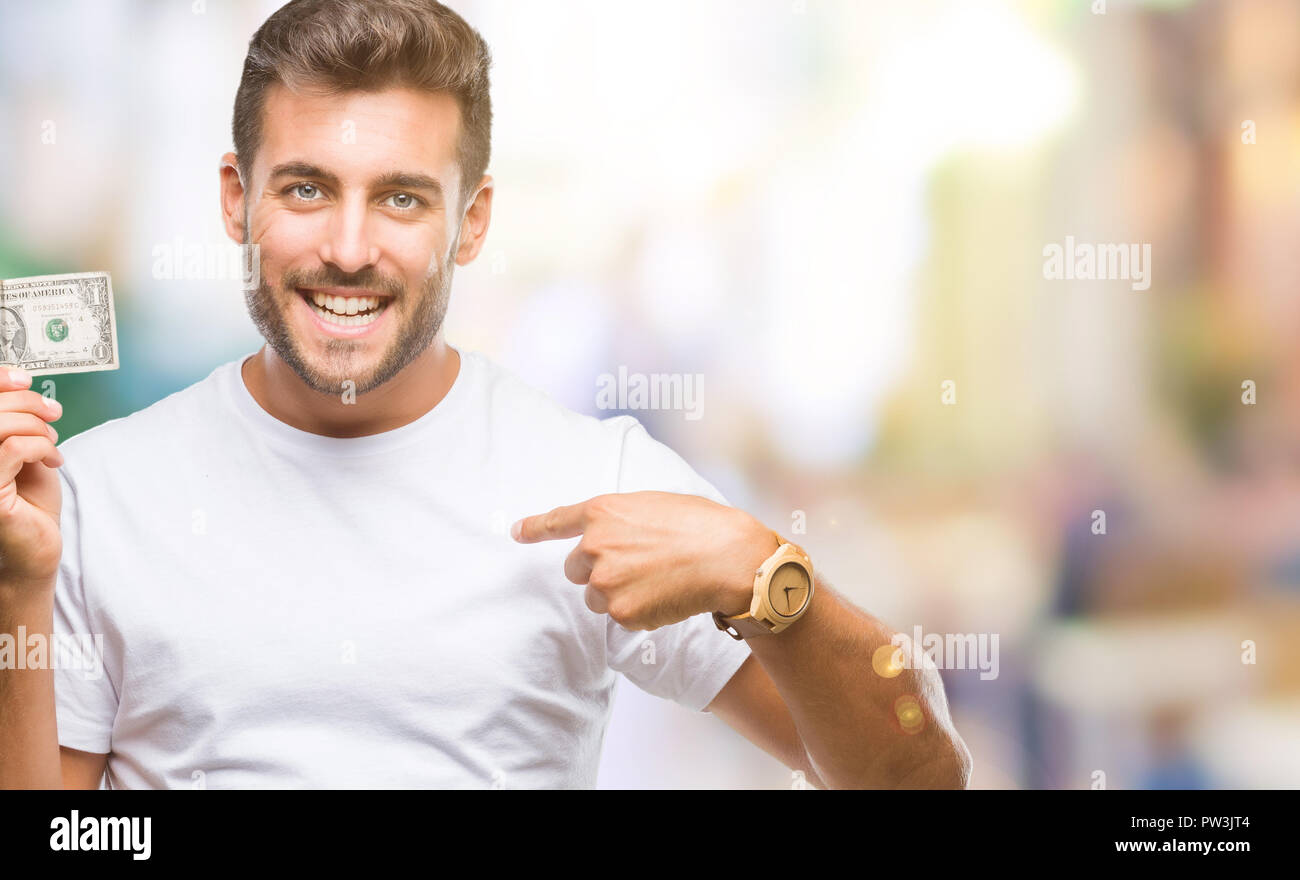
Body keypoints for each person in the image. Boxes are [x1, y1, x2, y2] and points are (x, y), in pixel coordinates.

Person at [0, 0, 969, 789]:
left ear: (473, 222)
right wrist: (14, 592)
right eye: (304, 190)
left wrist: (777, 580)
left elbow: (919, 782)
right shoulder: (94, 496)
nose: (347, 246)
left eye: (401, 197)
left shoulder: (598, 484)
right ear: (233, 199)